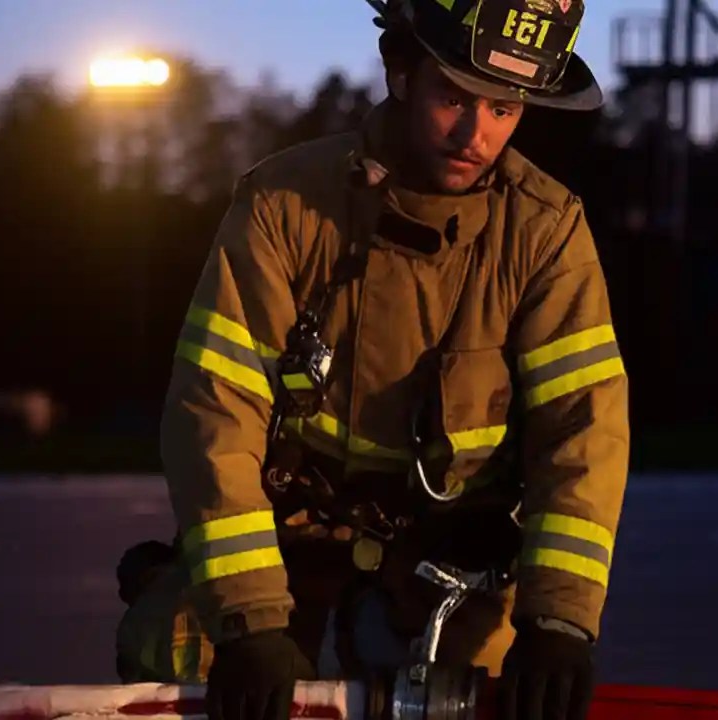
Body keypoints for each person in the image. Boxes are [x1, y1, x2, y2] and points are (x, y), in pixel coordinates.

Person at [135, 0, 632, 718]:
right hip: (288, 531)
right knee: (177, 649)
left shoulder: (547, 233)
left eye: (504, 108)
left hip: (455, 557)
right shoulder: (284, 205)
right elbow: (215, 411)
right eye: (453, 97)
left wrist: (558, 621)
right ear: (401, 73)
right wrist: (250, 620)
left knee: (480, 696)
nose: (476, 135)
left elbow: (583, 431)